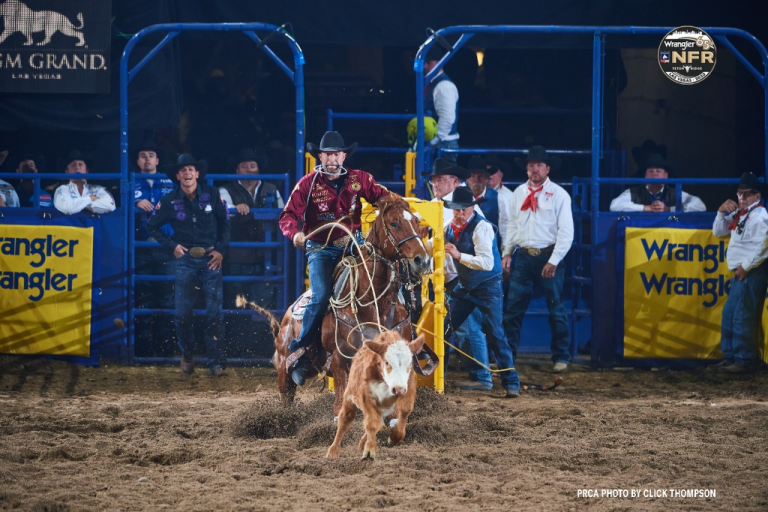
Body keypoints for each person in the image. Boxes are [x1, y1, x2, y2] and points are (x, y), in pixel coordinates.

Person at [278, 131, 390, 386]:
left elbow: (383, 196)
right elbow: (287, 216)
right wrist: (294, 233)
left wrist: (397, 209)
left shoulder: (359, 179)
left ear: (343, 156)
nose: (332, 158)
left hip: (354, 244)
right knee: (320, 296)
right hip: (321, 248)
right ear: (320, 156)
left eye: (336, 154)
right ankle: (301, 351)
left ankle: (401, 340)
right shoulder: (308, 184)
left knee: (383, 279)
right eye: (327, 154)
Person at [427, 186, 520, 397]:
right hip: (466, 285)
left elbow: (487, 263)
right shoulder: (448, 228)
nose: (460, 213)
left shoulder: (482, 227)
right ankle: (437, 376)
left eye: (464, 209)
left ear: (472, 209)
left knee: (495, 333)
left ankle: (511, 381)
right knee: (444, 327)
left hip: (488, 286)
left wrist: (459, 256)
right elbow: (429, 246)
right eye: (457, 209)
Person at [146, 153, 231, 377]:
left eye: (190, 169)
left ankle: (216, 362)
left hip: (210, 257)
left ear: (197, 173)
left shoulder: (213, 195)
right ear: (177, 175)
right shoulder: (168, 200)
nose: (187, 173)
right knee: (183, 312)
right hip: (185, 259)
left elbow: (226, 224)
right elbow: (152, 225)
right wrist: (172, 246)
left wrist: (221, 250)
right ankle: (187, 353)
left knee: (214, 312)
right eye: (183, 170)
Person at [502, 146, 574, 373]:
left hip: (548, 255)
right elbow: (513, 225)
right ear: (526, 168)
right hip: (523, 255)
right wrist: (507, 251)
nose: (535, 169)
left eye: (539, 165)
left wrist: (554, 260)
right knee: (513, 309)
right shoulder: (518, 194)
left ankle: (561, 355)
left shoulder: (560, 194)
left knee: (556, 309)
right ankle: (508, 356)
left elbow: (566, 231)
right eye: (531, 165)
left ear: (547, 168)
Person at [425, 158, 491, 391]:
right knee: (451, 327)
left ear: (454, 181)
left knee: (469, 327)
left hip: (463, 276)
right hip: (445, 276)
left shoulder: (465, 207)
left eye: (440, 180)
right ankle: (453, 373)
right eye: (433, 181)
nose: (436, 185)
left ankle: (483, 377)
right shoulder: (435, 205)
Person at [710, 172, 768, 373]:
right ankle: (732, 357)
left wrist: (746, 266)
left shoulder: (760, 217)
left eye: (746, 194)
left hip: (751, 271)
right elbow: (718, 231)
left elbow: (763, 246)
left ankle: (743, 360)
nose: (741, 198)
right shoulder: (740, 215)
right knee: (731, 313)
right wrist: (720, 212)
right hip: (743, 270)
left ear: (757, 196)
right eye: (739, 194)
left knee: (740, 315)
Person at [219, 149, 284, 310]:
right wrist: (235, 208)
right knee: (235, 303)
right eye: (244, 166)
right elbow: (223, 209)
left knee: (263, 305)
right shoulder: (226, 189)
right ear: (237, 171)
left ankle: (262, 335)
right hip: (237, 258)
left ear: (258, 169)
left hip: (265, 258)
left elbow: (283, 213)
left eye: (252, 166)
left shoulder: (271, 188)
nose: (249, 169)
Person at [132, 138, 177, 358]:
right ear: (138, 161)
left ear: (157, 160)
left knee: (167, 296)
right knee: (143, 296)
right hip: (140, 247)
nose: (147, 159)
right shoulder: (130, 184)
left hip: (165, 248)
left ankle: (165, 348)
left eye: (151, 155)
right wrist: (134, 204)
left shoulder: (171, 184)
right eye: (143, 155)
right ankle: (143, 348)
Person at [609, 153, 706, 213]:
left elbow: (700, 206)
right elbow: (614, 206)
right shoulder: (633, 192)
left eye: (658, 171)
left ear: (666, 175)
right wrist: (646, 208)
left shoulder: (674, 193)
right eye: (651, 171)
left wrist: (669, 209)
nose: (654, 174)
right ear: (645, 176)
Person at [423, 46, 459, 160]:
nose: (424, 66)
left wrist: (432, 142)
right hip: (438, 144)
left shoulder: (444, 86)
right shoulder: (433, 83)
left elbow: (447, 119)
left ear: (439, 63)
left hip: (443, 146)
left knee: (440, 177)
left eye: (428, 62)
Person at [53, 150, 116, 215]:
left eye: (80, 164)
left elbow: (110, 206)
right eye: (73, 165)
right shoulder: (62, 190)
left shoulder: (98, 189)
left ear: (86, 170)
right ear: (67, 171)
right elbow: (66, 208)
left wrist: (77, 204)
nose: (77, 167)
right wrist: (90, 198)